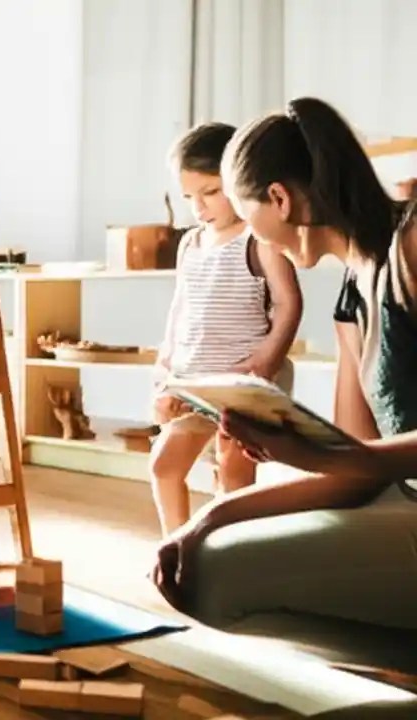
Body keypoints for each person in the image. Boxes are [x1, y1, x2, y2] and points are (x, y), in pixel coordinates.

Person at [153, 97, 417, 632]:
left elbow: (364, 464)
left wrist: (321, 454)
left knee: (218, 577)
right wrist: (210, 517)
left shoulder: (410, 246)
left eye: (241, 209)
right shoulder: (351, 299)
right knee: (199, 560)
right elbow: (356, 471)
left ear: (279, 199)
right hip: (403, 502)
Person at [149, 122, 303, 536]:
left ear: (238, 178)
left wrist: (267, 360)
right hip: (193, 384)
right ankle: (176, 546)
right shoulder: (190, 244)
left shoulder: (259, 239)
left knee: (232, 476)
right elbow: (179, 309)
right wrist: (165, 370)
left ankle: (228, 551)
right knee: (164, 465)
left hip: (240, 389)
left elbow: (289, 303)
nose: (198, 208)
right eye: (189, 197)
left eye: (210, 192)